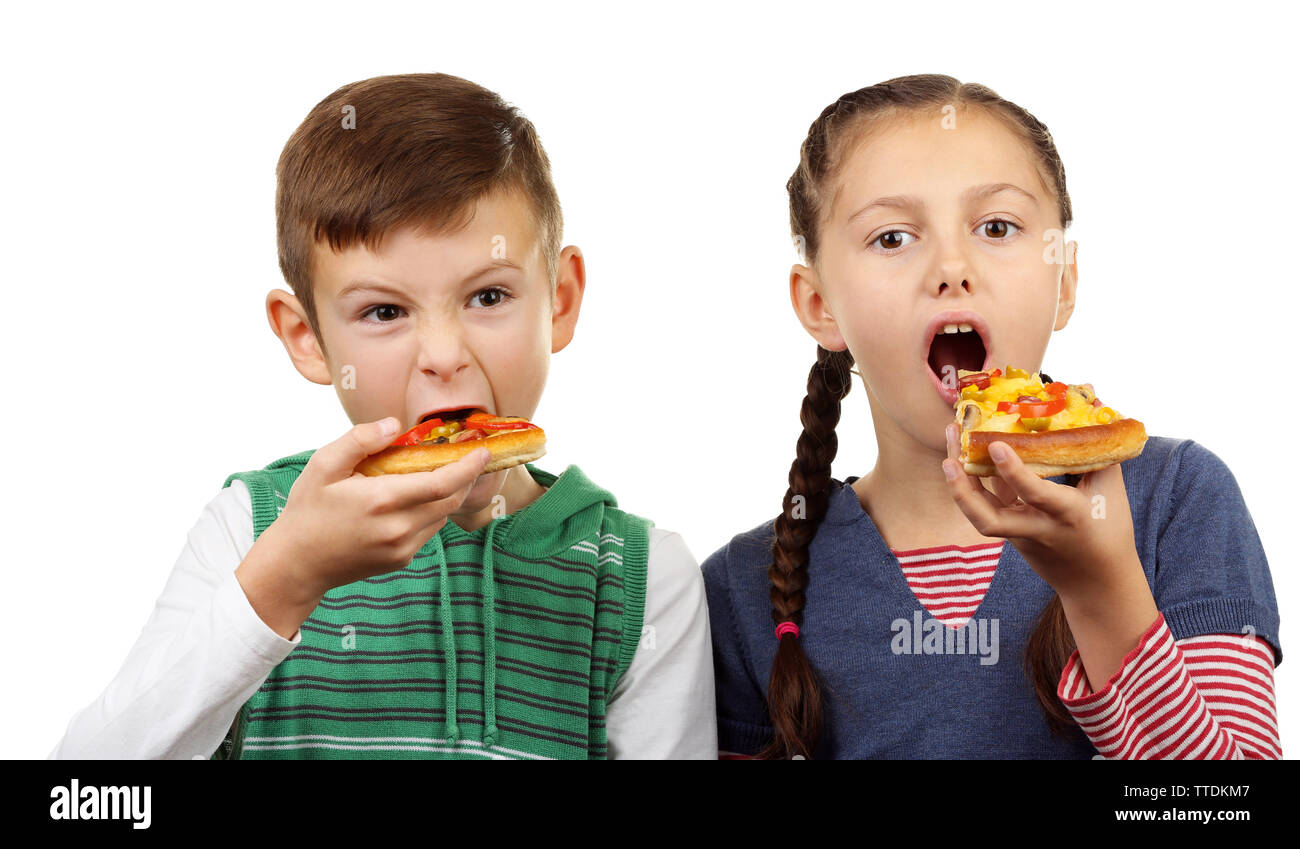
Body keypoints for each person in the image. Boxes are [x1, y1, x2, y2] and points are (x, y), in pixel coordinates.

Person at [49, 72, 715, 760]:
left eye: (488, 296)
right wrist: (284, 578)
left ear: (561, 298)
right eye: (384, 312)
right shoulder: (248, 531)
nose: (443, 355)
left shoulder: (642, 577)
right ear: (307, 338)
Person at [702, 74, 1280, 759]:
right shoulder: (744, 586)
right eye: (891, 237)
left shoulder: (1177, 500)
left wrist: (1104, 593)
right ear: (819, 304)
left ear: (1064, 279)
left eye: (997, 227)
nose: (952, 266)